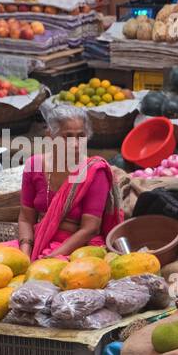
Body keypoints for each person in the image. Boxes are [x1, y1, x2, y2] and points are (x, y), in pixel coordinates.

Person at [16, 102, 123, 260]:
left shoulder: (94, 171)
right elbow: (26, 218)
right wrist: (25, 254)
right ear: (50, 136)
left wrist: (51, 258)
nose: (76, 144)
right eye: (68, 136)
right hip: (39, 242)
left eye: (81, 136)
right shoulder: (34, 165)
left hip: (78, 248)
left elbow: (90, 229)